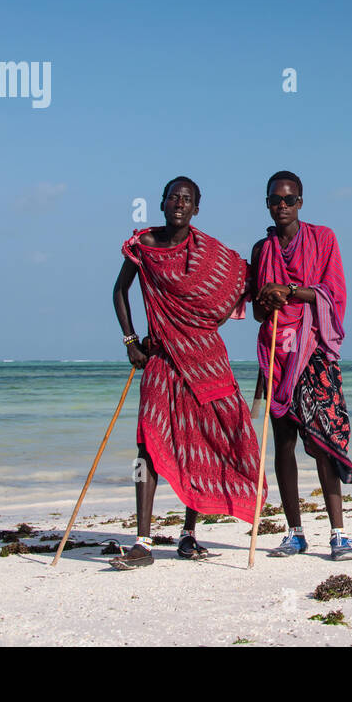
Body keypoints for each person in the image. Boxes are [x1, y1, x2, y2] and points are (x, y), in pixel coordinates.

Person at [109, 176, 266, 569]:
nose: (179, 203)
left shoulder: (209, 254)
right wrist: (130, 341)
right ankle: (143, 543)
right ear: (162, 203)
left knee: (203, 442)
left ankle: (189, 534)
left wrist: (278, 287)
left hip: (205, 358)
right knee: (148, 440)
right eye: (173, 197)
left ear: (197, 208)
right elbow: (119, 291)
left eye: (187, 199)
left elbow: (246, 279)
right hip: (161, 357)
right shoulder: (143, 246)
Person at [248, 171, 352, 561]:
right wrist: (267, 301)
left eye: (289, 199)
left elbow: (334, 293)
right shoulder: (262, 250)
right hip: (276, 352)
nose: (282, 206)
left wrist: (291, 291)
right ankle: (294, 533)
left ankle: (339, 532)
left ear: (300, 202)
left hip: (312, 352)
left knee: (323, 442)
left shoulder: (323, 238)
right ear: (266, 203)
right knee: (283, 445)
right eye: (275, 200)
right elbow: (257, 306)